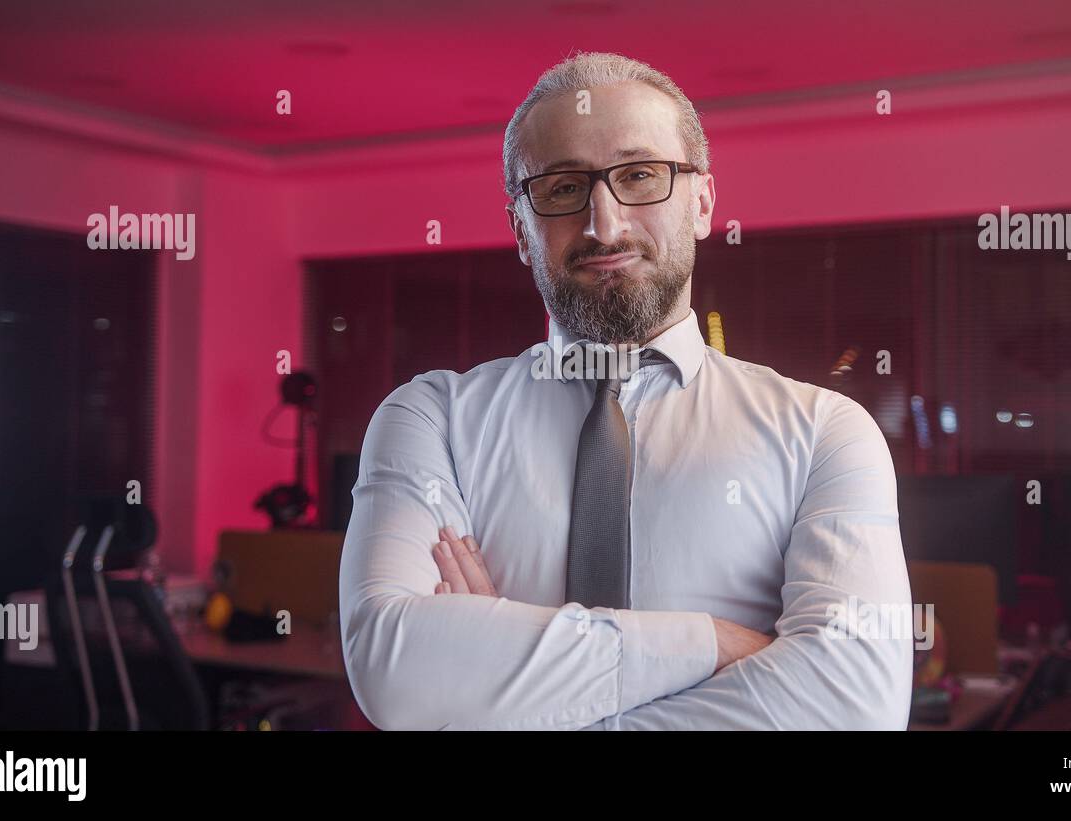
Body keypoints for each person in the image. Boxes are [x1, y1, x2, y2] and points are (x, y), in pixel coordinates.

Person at [338, 51, 912, 730]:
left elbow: (852, 710)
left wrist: (501, 697)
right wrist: (713, 642)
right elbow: (398, 675)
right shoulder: (430, 418)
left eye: (640, 176)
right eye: (560, 188)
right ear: (521, 229)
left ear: (702, 203)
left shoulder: (825, 432)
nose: (604, 225)